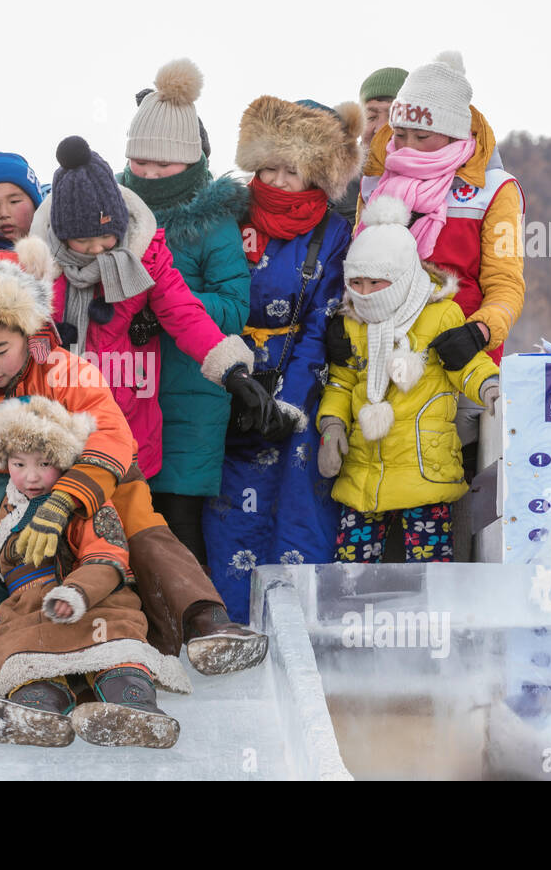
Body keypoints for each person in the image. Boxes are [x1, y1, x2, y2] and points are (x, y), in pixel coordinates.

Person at [0, 240, 268, 674]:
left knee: (138, 522)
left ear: (25, 330)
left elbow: (113, 436)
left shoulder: (64, 369)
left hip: (91, 485)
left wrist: (65, 499)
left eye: (1, 350)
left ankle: (205, 621)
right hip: (8, 495)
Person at [0, 396, 190, 748]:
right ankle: (38, 707)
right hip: (30, 609)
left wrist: (78, 591)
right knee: (25, 650)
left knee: (116, 644)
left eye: (44, 464)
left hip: (95, 600)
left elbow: (107, 554)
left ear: (63, 461)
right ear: (5, 461)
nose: (31, 477)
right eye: (19, 464)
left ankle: (134, 704)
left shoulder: (80, 503)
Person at [30, 135, 285, 481]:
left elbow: (185, 314)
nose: (97, 250)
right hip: (60, 433)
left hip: (131, 430)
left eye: (105, 238)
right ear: (61, 236)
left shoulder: (146, 257)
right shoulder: (39, 272)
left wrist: (233, 372)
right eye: (83, 241)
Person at [204, 95, 362, 622]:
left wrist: (290, 402)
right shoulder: (229, 213)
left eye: (290, 169)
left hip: (299, 383)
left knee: (299, 509)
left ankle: (303, 633)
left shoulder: (336, 232)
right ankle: (229, 630)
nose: (276, 179)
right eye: (266, 166)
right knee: (230, 516)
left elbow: (324, 321)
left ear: (316, 172)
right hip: (226, 381)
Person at [356, 51, 525, 466]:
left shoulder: (496, 191)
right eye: (402, 134)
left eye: (422, 136)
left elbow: (506, 286)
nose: (407, 147)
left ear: (451, 134)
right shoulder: (375, 185)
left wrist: (479, 333)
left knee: (450, 510)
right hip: (379, 366)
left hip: (458, 369)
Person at [117, 58, 252, 565]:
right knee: (124, 511)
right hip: (126, 382)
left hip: (194, 391)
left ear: (191, 161)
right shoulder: (116, 208)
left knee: (178, 517)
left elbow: (236, 306)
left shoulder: (213, 222)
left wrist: (167, 310)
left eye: (163, 165)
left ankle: (195, 624)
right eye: (141, 164)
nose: (149, 175)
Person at [317, 196, 499, 563]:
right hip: (365, 469)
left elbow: (466, 365)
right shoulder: (351, 323)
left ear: (400, 277)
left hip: (423, 465)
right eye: (356, 282)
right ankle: (356, 618)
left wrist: (489, 386)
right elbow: (341, 380)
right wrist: (332, 424)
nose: (364, 293)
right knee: (352, 567)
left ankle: (434, 619)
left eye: (375, 282)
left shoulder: (440, 315)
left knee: (432, 569)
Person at [332, 67, 407, 224]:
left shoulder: (445, 185)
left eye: (394, 116)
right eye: (371, 117)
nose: (380, 128)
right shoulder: (334, 185)